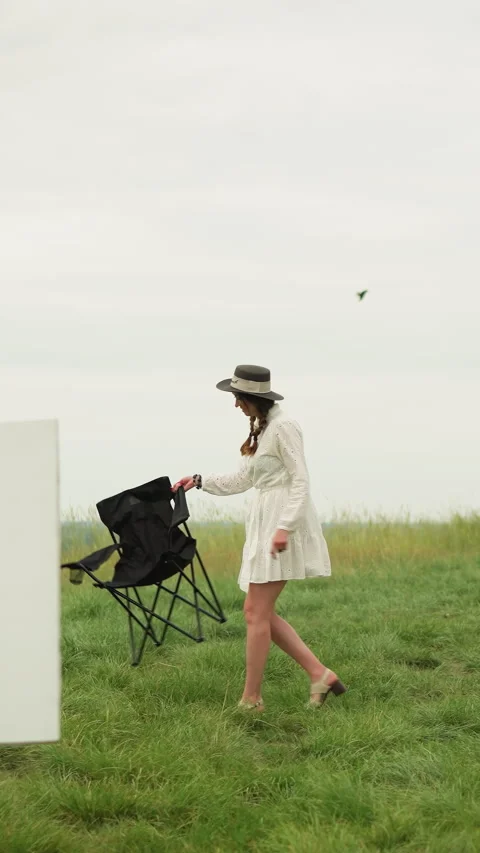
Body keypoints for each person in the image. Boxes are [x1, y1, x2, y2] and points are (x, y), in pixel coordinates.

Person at [172, 364, 346, 712]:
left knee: (255, 611)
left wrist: (285, 527)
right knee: (259, 612)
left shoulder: (284, 428)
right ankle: (319, 675)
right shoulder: (262, 429)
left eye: (238, 398)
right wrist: (199, 480)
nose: (236, 405)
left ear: (253, 398)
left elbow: (301, 481)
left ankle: (252, 699)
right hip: (265, 522)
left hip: (283, 523)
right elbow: (243, 479)